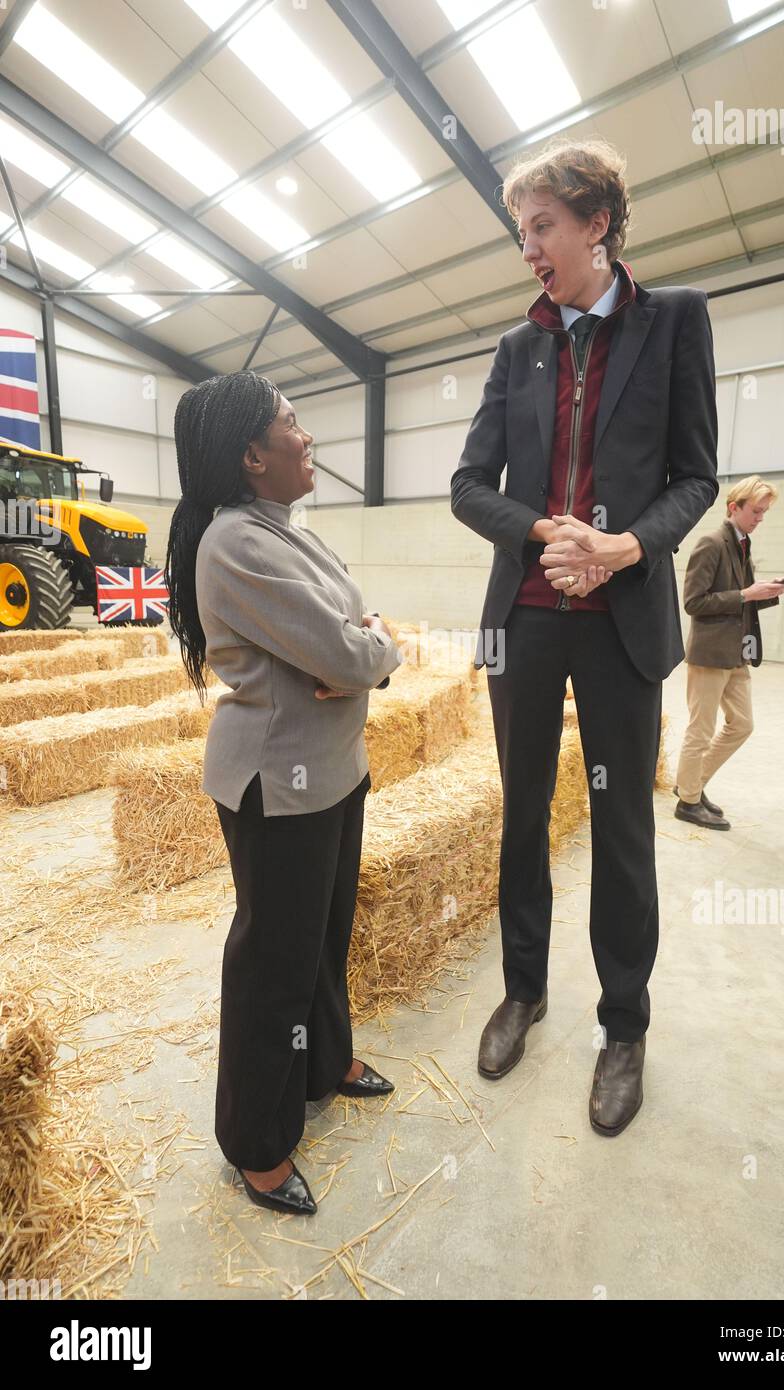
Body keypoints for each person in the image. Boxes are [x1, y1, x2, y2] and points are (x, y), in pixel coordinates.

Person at [450, 137, 719, 1138]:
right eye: (523, 231)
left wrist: (617, 546)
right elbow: (469, 484)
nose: (530, 247)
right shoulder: (517, 348)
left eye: (543, 227)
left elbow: (695, 475)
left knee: (621, 832)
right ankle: (524, 991)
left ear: (597, 224)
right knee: (523, 814)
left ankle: (624, 1027)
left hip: (620, 623)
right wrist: (541, 533)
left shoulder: (677, 322)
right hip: (525, 618)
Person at [165, 371, 402, 1216]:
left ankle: (325, 1061)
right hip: (279, 785)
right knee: (273, 963)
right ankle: (256, 1146)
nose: (309, 439)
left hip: (334, 768)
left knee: (326, 936)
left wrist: (362, 646)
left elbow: (356, 633)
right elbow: (348, 654)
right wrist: (367, 652)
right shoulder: (236, 541)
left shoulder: (285, 529)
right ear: (251, 456)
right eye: (292, 425)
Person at [674, 475, 784, 830]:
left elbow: (744, 596)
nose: (759, 518)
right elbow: (694, 602)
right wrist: (746, 595)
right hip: (710, 654)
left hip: (737, 652)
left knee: (742, 725)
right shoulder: (711, 543)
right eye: (755, 511)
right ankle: (688, 803)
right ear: (733, 508)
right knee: (701, 730)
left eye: (763, 512)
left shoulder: (743, 544)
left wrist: (768, 592)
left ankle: (691, 785)